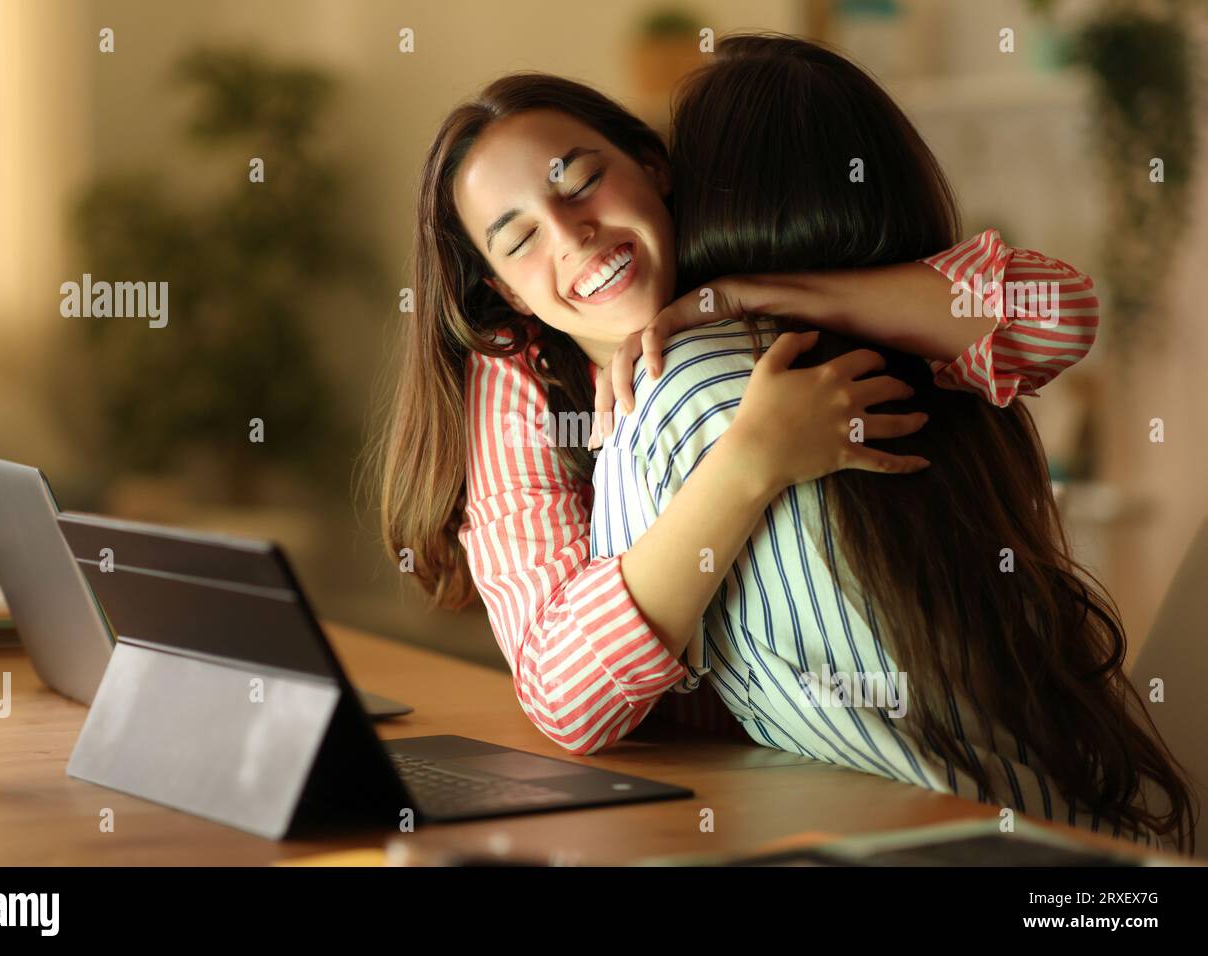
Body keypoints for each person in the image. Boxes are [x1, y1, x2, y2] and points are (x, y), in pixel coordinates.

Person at [380, 58, 1101, 772]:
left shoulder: (754, 243)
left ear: (652, 165)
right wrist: (751, 461)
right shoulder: (520, 379)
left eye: (581, 181)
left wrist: (753, 294)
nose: (571, 235)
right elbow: (567, 698)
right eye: (519, 239)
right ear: (505, 290)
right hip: (719, 773)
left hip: (881, 758)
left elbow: (1058, 316)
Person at [588, 33, 1195, 850]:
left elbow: (604, 696)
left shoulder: (668, 387)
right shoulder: (939, 353)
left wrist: (737, 295)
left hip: (926, 847)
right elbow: (1067, 313)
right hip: (1077, 847)